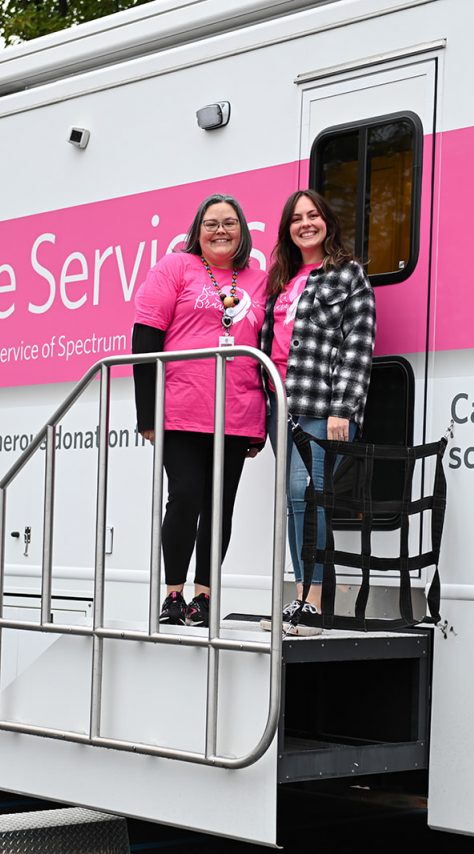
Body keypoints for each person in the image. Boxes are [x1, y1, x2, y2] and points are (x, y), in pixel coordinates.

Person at [132, 194, 268, 628]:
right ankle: (173, 594)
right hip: (181, 409)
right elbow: (145, 337)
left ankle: (203, 596)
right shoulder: (175, 266)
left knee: (219, 506)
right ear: (197, 230)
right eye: (211, 223)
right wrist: (147, 413)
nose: (220, 230)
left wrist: (261, 424)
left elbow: (269, 349)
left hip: (238, 412)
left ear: (243, 231)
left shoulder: (260, 279)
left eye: (230, 223)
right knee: (186, 495)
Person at [259, 189, 375, 635]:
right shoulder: (282, 279)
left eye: (313, 215)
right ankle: (303, 595)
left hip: (323, 407)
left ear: (327, 221)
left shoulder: (348, 274)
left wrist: (343, 408)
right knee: (295, 502)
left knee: (307, 493)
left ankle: (315, 600)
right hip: (281, 406)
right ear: (287, 229)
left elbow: (358, 343)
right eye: (296, 218)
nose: (305, 224)